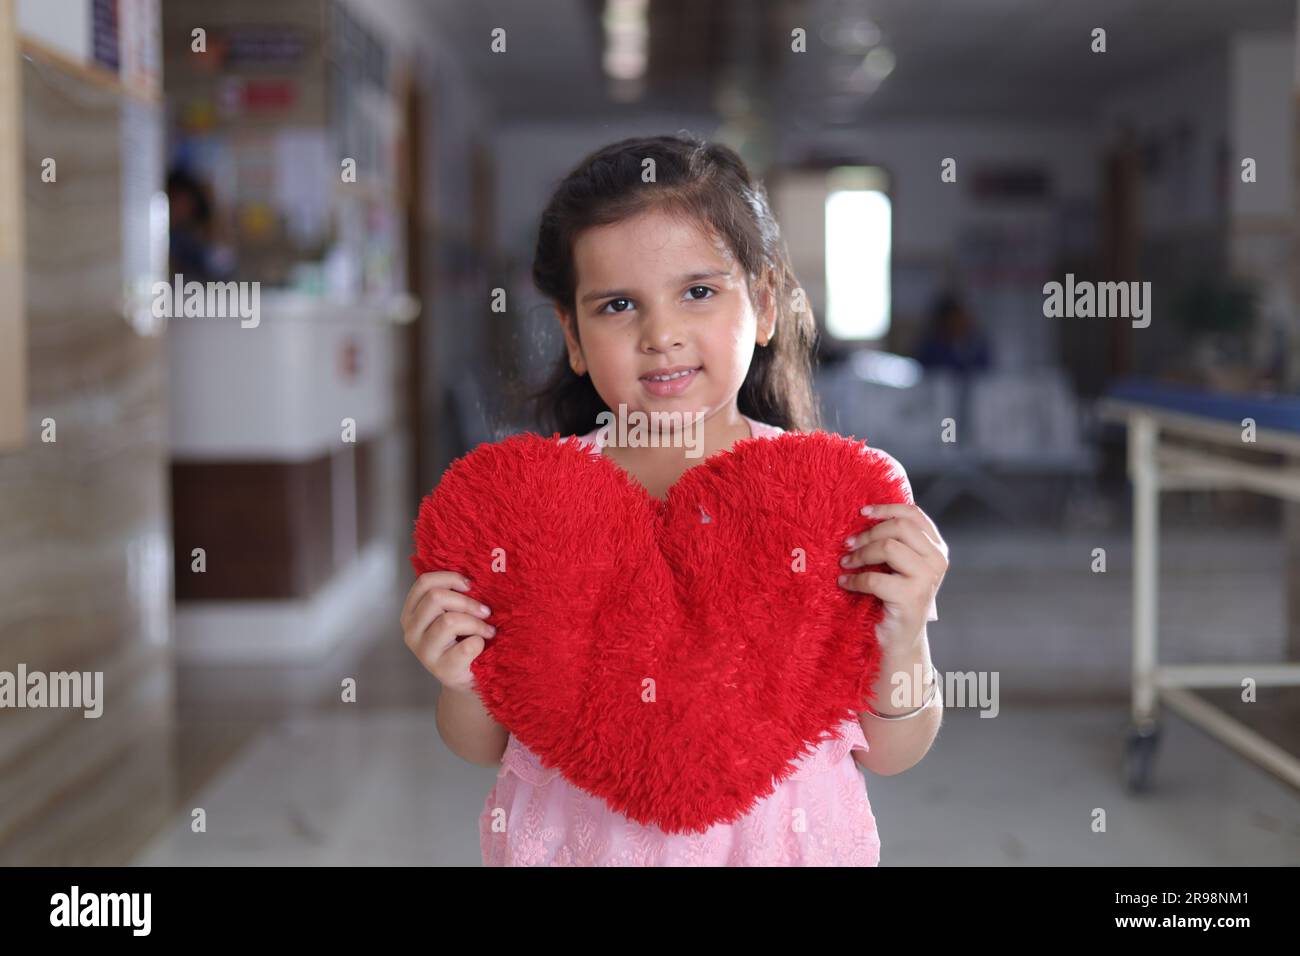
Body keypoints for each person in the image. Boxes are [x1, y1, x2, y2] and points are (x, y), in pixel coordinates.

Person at [399, 134, 947, 866]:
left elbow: (893, 750)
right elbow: (483, 744)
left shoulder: (847, 502)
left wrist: (905, 632)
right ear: (574, 337)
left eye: (698, 291)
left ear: (762, 304)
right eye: (618, 305)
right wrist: (460, 677)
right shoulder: (526, 515)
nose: (661, 334)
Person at [915, 292, 991, 374]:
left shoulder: (977, 344)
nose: (959, 324)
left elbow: (986, 370)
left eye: (961, 319)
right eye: (953, 320)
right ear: (943, 322)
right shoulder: (930, 347)